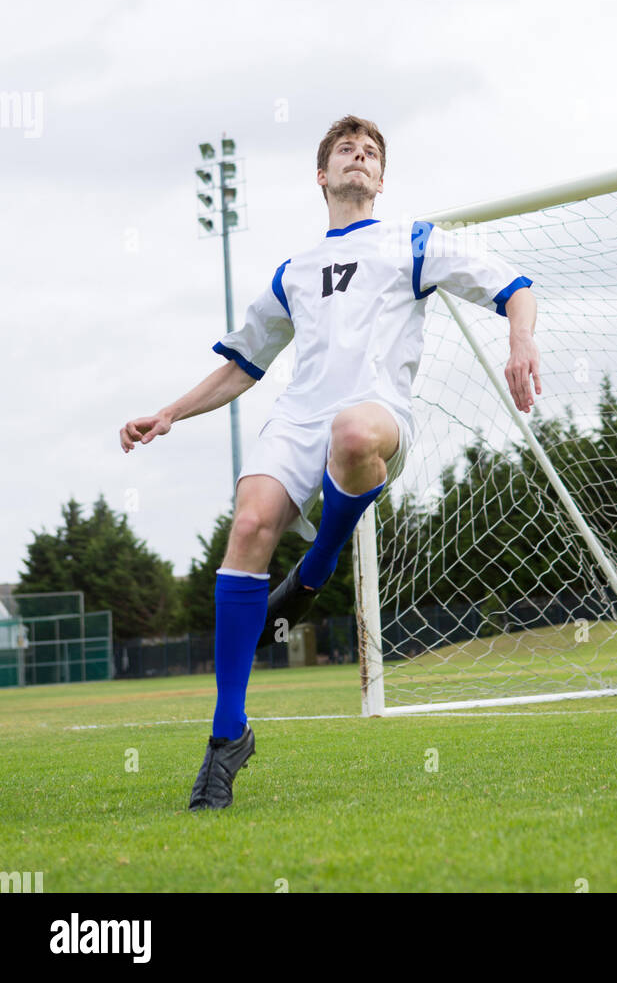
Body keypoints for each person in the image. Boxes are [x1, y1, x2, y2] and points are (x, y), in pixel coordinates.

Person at [119, 115, 540, 809]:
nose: (360, 156)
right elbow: (244, 362)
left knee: (350, 433)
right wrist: (169, 412)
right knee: (250, 525)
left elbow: (515, 284)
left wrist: (521, 341)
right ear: (323, 175)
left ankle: (314, 570)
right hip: (298, 419)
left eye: (371, 152)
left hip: (375, 419)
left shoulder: (411, 242)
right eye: (347, 149)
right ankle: (228, 737)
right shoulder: (294, 272)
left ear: (380, 178)